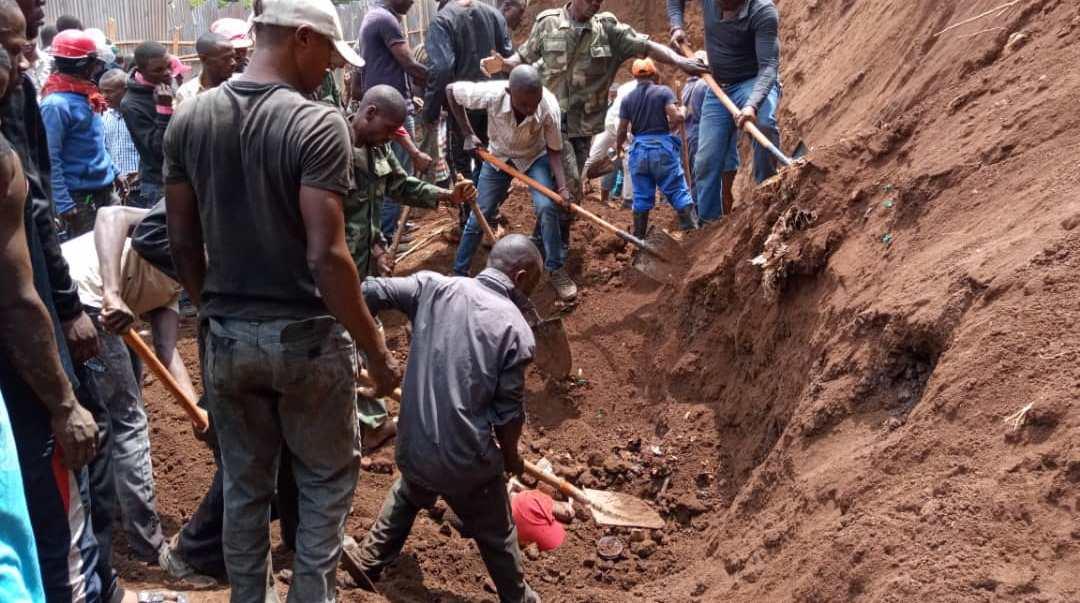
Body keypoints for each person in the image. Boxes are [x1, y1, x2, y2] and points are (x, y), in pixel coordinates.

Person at [164, 1, 401, 600]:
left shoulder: (189, 119)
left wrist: (212, 310)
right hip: (305, 338)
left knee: (246, 487)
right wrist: (376, 352)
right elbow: (328, 257)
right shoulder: (317, 124)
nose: (331, 70)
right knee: (323, 484)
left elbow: (182, 242)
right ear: (302, 39)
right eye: (329, 54)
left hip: (227, 339)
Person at [351, 234, 543, 603]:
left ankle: (370, 559)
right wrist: (512, 457)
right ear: (519, 278)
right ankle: (518, 599)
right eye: (531, 287)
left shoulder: (432, 286)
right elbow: (508, 415)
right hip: (463, 461)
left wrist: (366, 348)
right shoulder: (516, 330)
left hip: (413, 444)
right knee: (497, 531)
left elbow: (369, 290)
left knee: (411, 489)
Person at [0, 11, 103, 601]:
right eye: (13, 48)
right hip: (20, 364)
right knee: (44, 503)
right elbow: (15, 296)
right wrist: (64, 403)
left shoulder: (24, 104)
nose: (24, 61)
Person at [482, 0, 708, 256]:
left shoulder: (608, 29)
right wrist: (503, 63)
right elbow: (523, 58)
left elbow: (646, 46)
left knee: (565, 190)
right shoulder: (547, 23)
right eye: (591, 1)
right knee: (570, 187)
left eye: (599, 2)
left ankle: (543, 239)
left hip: (584, 128)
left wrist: (680, 61)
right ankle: (554, 245)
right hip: (548, 122)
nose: (595, 6)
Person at [62, 205, 195, 564]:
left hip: (90, 312)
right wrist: (113, 292)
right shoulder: (176, 219)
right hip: (82, 302)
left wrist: (197, 412)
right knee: (128, 418)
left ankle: (108, 510)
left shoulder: (176, 285)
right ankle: (149, 544)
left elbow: (167, 352)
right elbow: (108, 214)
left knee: (103, 405)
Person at [447, 65, 579, 302]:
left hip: (533, 157)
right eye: (524, 105)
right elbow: (450, 91)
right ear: (510, 93)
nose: (531, 110)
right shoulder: (492, 93)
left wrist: (562, 188)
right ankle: (459, 271)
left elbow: (554, 150)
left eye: (534, 104)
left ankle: (555, 268)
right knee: (480, 213)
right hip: (498, 156)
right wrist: (467, 133)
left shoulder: (548, 107)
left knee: (547, 208)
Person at [669, 0, 781, 220]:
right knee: (705, 161)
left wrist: (751, 105)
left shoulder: (763, 11)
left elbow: (768, 67)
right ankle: (709, 223)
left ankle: (767, 198)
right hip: (718, 87)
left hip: (753, 82)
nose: (719, 7)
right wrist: (677, 25)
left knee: (764, 124)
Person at [423, 0, 514, 238]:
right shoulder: (494, 15)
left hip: (460, 105)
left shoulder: (442, 20)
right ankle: (491, 219)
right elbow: (508, 59)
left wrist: (430, 112)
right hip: (493, 101)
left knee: (461, 163)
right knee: (491, 161)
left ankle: (469, 225)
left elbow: (441, 68)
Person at [355, 0, 428, 243]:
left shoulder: (372, 16)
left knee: (389, 171)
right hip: (390, 111)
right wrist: (438, 81)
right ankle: (387, 232)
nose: (412, 3)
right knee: (397, 175)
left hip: (382, 107)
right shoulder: (386, 20)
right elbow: (409, 64)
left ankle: (392, 226)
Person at [40, 29, 116, 240]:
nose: (97, 66)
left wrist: (113, 170)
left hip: (105, 189)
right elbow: (50, 157)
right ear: (84, 64)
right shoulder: (56, 105)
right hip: (81, 198)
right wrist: (63, 202)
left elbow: (95, 140)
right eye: (94, 61)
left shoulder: (87, 94)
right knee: (91, 255)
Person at [615, 58, 700, 237]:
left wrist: (618, 148)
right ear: (654, 74)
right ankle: (693, 236)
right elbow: (676, 117)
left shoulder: (628, 98)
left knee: (641, 197)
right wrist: (683, 111)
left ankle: (640, 239)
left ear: (634, 76)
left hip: (638, 152)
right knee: (677, 190)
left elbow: (622, 129)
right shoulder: (663, 92)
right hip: (661, 150)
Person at [121, 41, 172, 209]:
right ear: (141, 71)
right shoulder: (131, 104)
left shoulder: (165, 85)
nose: (167, 73)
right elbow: (157, 150)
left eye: (169, 66)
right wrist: (164, 110)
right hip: (159, 184)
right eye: (158, 70)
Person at [583, 80, 636, 206]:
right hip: (617, 125)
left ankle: (627, 199)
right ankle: (576, 185)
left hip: (617, 125)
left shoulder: (627, 86)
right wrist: (620, 144)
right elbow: (621, 122)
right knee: (625, 161)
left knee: (624, 162)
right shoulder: (632, 89)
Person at [99, 68, 140, 199]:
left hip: (141, 189)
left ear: (125, 89)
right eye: (102, 91)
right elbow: (102, 151)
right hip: (115, 190)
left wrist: (141, 173)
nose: (104, 96)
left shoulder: (140, 115)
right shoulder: (101, 117)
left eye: (109, 92)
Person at [174, 31, 236, 107]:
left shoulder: (239, 87)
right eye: (225, 59)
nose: (233, 63)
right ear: (204, 59)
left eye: (233, 57)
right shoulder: (186, 93)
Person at [680, 50, 710, 198]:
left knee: (694, 172)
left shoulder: (687, 86)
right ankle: (700, 212)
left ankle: (696, 208)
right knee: (702, 173)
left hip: (690, 132)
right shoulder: (703, 85)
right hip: (701, 132)